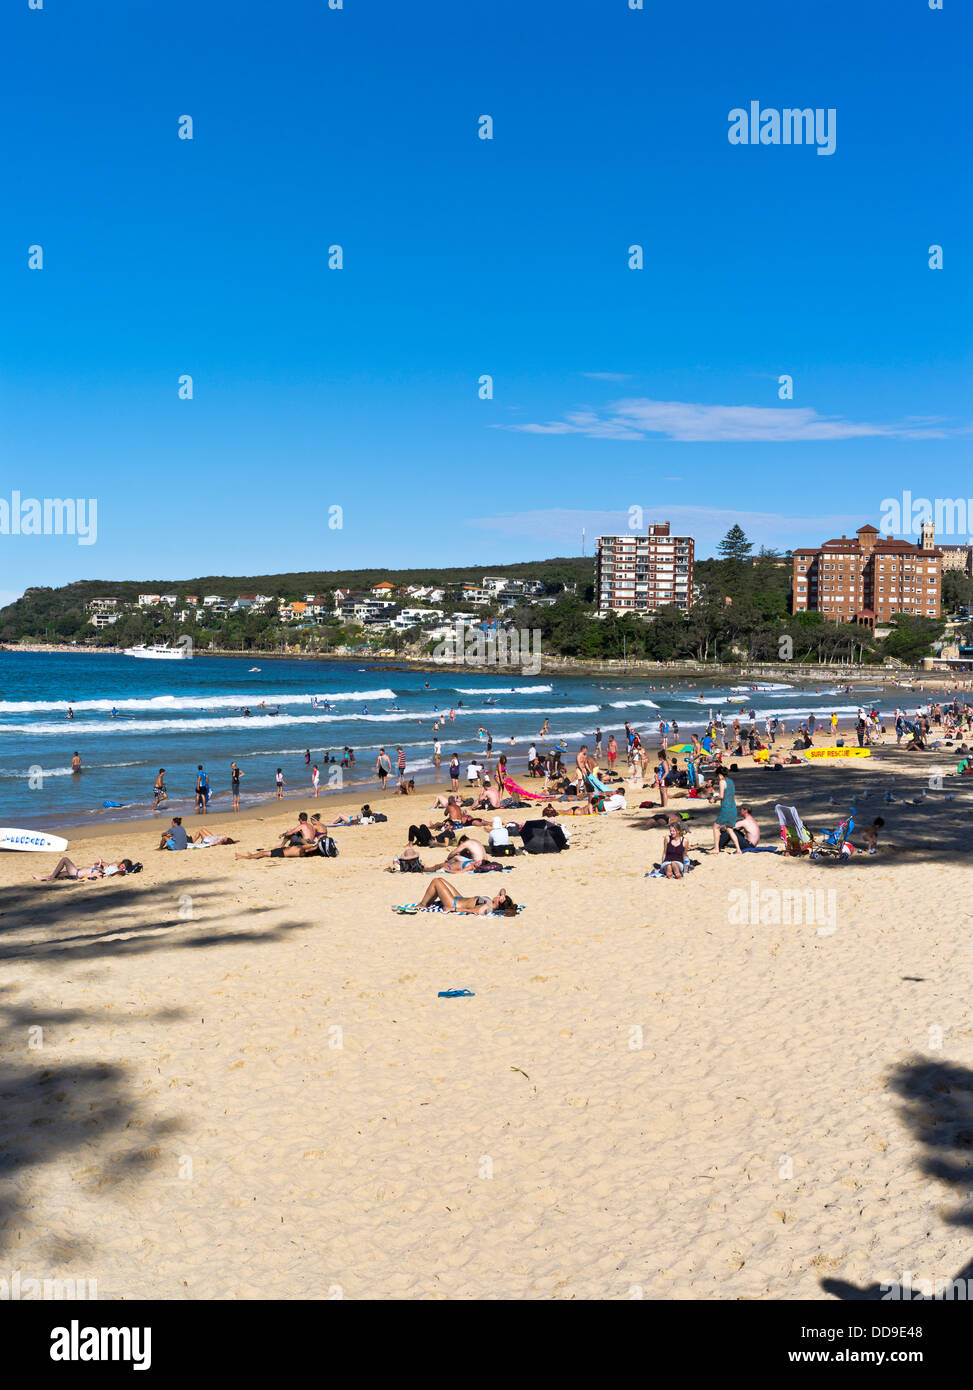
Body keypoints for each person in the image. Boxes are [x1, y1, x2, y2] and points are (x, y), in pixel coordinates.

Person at [400, 879, 518, 916]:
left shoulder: (488, 907)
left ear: (499, 903)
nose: (497, 895)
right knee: (441, 879)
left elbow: (473, 910)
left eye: (499, 897)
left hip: (453, 903)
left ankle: (423, 904)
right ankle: (428, 901)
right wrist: (503, 894)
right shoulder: (493, 902)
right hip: (459, 898)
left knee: (436, 882)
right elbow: (502, 888)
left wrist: (453, 909)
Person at [35, 856, 133, 881]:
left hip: (76, 873)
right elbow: (109, 866)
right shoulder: (113, 867)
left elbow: (117, 873)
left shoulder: (118, 871)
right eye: (121, 864)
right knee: (59, 874)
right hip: (77, 871)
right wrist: (100, 863)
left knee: (65, 859)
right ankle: (43, 878)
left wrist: (123, 871)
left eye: (123, 866)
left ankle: (51, 877)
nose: (121, 866)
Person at [712, 770, 741, 852]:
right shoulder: (731, 781)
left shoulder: (722, 781)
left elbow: (721, 796)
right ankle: (738, 849)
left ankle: (716, 848)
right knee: (730, 829)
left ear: (720, 774)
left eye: (717, 776)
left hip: (726, 808)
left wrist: (714, 799)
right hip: (733, 807)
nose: (717, 778)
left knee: (715, 827)